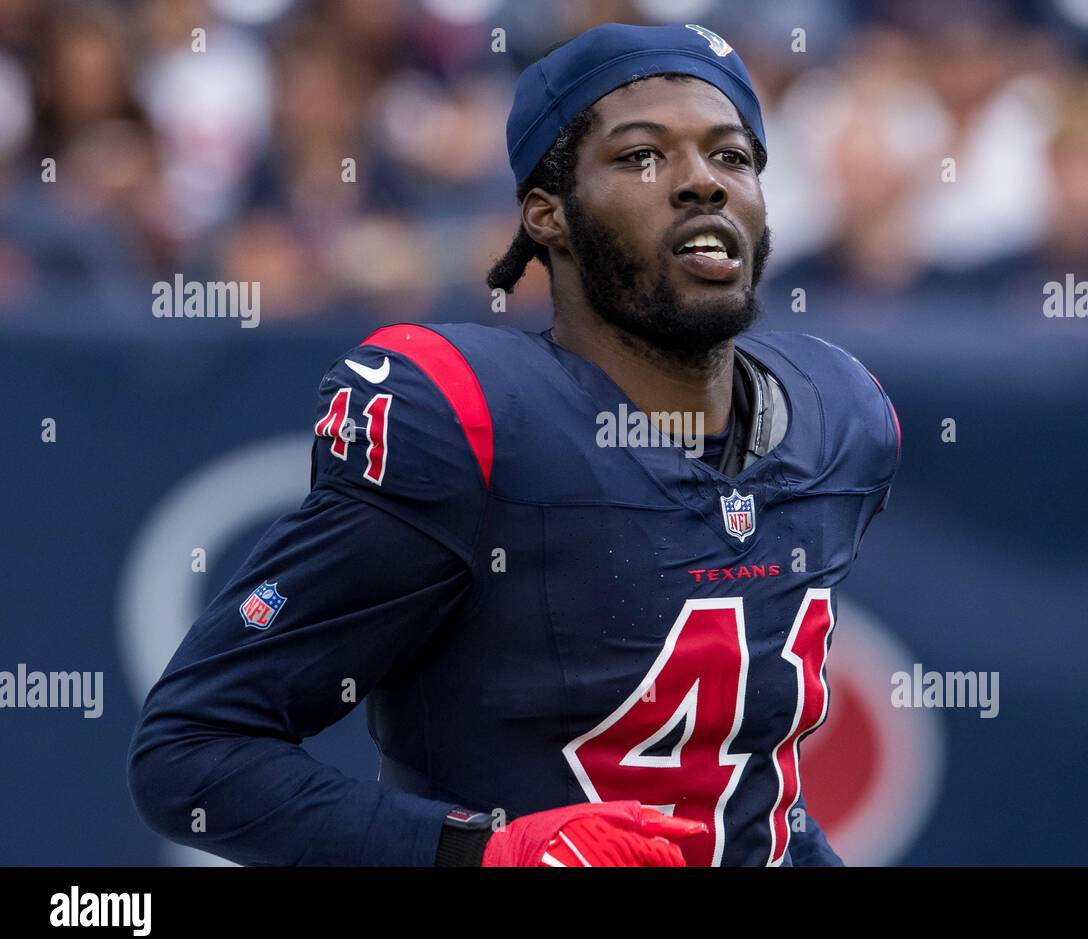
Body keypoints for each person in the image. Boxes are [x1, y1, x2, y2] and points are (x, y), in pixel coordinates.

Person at [128, 22, 900, 867]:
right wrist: (481, 853)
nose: (701, 185)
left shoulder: (840, 419)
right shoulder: (466, 420)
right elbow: (191, 752)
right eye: (643, 156)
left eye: (733, 157)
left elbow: (750, 803)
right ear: (548, 216)